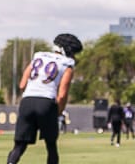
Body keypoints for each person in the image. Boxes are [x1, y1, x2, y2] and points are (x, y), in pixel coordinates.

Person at [6, 33, 81, 164]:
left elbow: (22, 84)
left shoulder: (38, 56)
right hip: (46, 102)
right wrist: (58, 111)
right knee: (51, 146)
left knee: (19, 145)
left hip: (27, 101)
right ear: (67, 49)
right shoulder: (67, 64)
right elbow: (62, 94)